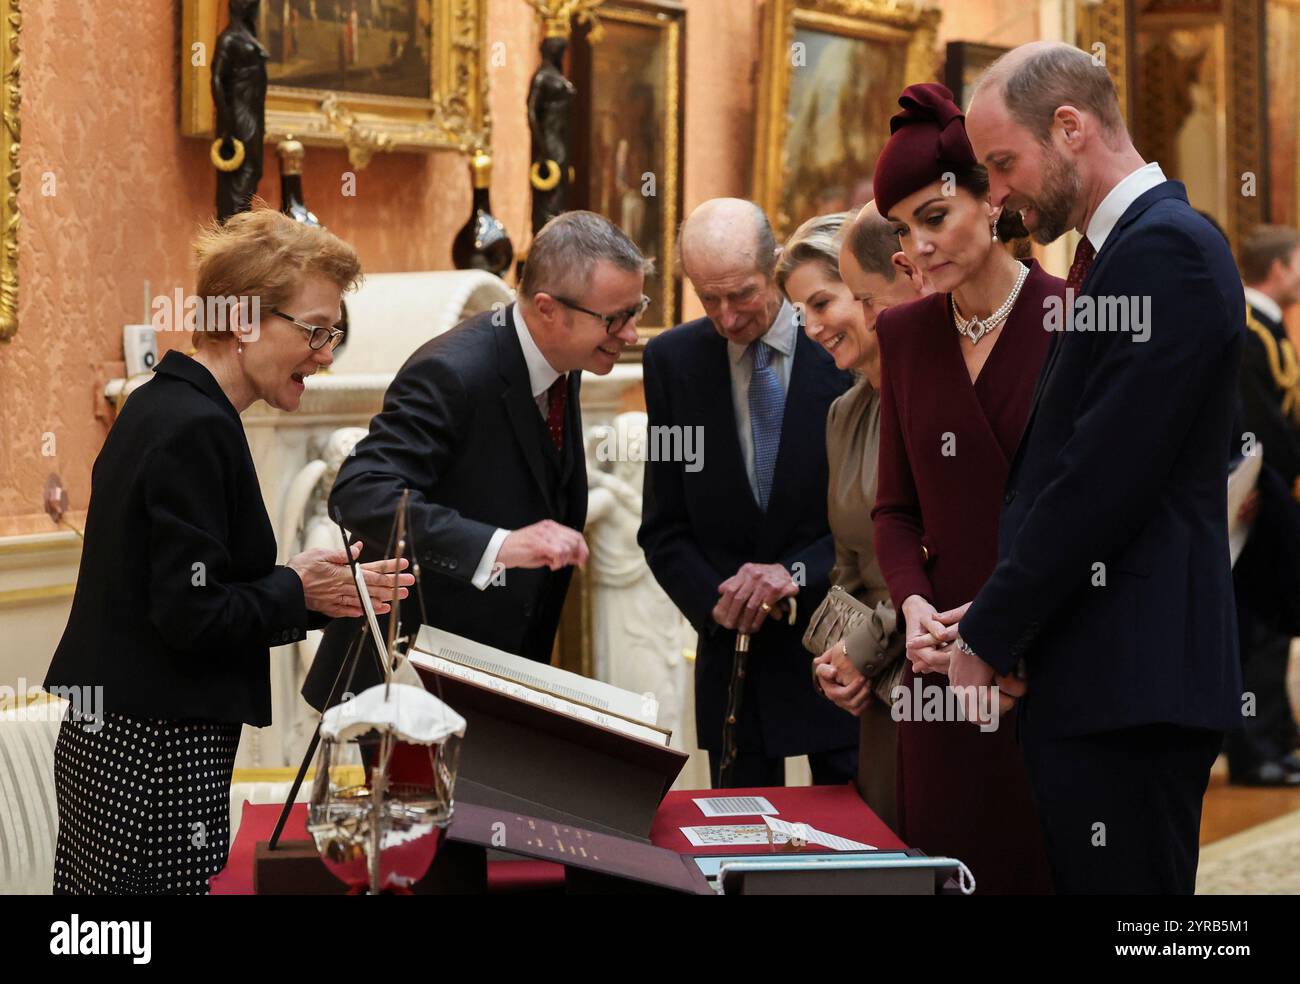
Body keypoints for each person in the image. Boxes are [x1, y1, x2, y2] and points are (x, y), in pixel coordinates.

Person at [43, 208, 412, 894]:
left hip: (127, 741)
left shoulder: (168, 406)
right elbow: (191, 614)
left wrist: (295, 587)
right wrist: (297, 591)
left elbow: (192, 591)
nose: (327, 354)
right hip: (155, 751)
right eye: (314, 332)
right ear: (244, 320)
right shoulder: (195, 426)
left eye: (333, 334)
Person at [952, 41, 1244, 894]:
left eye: (1003, 164)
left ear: (1070, 127)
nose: (997, 196)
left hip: (1133, 683)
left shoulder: (1168, 252)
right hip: (1104, 670)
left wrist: (991, 631)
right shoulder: (1124, 253)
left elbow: (1101, 479)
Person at [304, 211, 649, 711]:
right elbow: (361, 492)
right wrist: (499, 545)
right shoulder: (453, 372)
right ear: (549, 309)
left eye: (636, 309)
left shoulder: (565, 360)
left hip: (493, 678)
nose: (632, 333)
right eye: (616, 318)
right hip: (405, 683)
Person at [864, 83, 1058, 893]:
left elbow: (1088, 514)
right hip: (937, 671)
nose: (921, 245)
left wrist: (1014, 639)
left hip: (1039, 666)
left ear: (990, 196)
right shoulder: (904, 334)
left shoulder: (1069, 317)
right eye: (905, 230)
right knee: (948, 876)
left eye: (935, 217)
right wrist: (909, 603)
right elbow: (895, 508)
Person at [639, 198, 856, 788]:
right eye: (709, 298)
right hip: (736, 666)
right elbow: (663, 528)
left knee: (863, 851)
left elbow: (875, 518)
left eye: (742, 294)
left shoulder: (844, 344)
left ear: (776, 265)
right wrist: (718, 602)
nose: (727, 317)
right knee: (742, 858)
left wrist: (793, 574)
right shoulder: (671, 362)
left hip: (843, 652)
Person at [776, 205, 925, 830]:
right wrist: (837, 657)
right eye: (799, 313)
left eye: (822, 302)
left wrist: (863, 650)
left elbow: (937, 553)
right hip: (878, 694)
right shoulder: (843, 413)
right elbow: (848, 567)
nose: (810, 327)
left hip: (941, 677)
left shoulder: (934, 397)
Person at [1228, 225, 1300, 785]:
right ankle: (1256, 749)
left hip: (1276, 498)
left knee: (1274, 624)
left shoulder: (1269, 326)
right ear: (1278, 268)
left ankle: (1276, 738)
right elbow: (1256, 424)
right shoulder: (1248, 329)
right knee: (1255, 628)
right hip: (1256, 499)